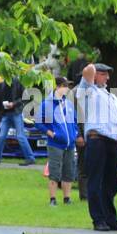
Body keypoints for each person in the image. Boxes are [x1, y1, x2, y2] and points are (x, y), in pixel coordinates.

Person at [76, 63, 117, 230]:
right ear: (95, 75)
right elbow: (87, 70)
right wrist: (93, 68)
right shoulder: (88, 91)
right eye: (103, 74)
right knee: (96, 181)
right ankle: (98, 220)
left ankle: (110, 219)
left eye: (107, 74)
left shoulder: (110, 96)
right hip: (97, 139)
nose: (107, 77)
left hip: (113, 141)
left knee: (111, 183)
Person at [42, 76, 77, 205]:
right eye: (64, 86)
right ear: (57, 87)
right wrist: (49, 132)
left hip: (70, 144)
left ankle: (67, 198)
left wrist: (75, 133)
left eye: (67, 86)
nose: (67, 88)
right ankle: (52, 199)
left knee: (69, 171)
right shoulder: (47, 103)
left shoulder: (68, 103)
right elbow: (39, 122)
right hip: (55, 143)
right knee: (55, 171)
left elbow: (74, 121)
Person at [0, 75, 35, 165]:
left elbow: (26, 97)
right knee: (1, 136)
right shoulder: (2, 85)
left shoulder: (17, 82)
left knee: (20, 136)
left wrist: (14, 104)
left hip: (16, 113)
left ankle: (30, 158)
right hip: (5, 114)